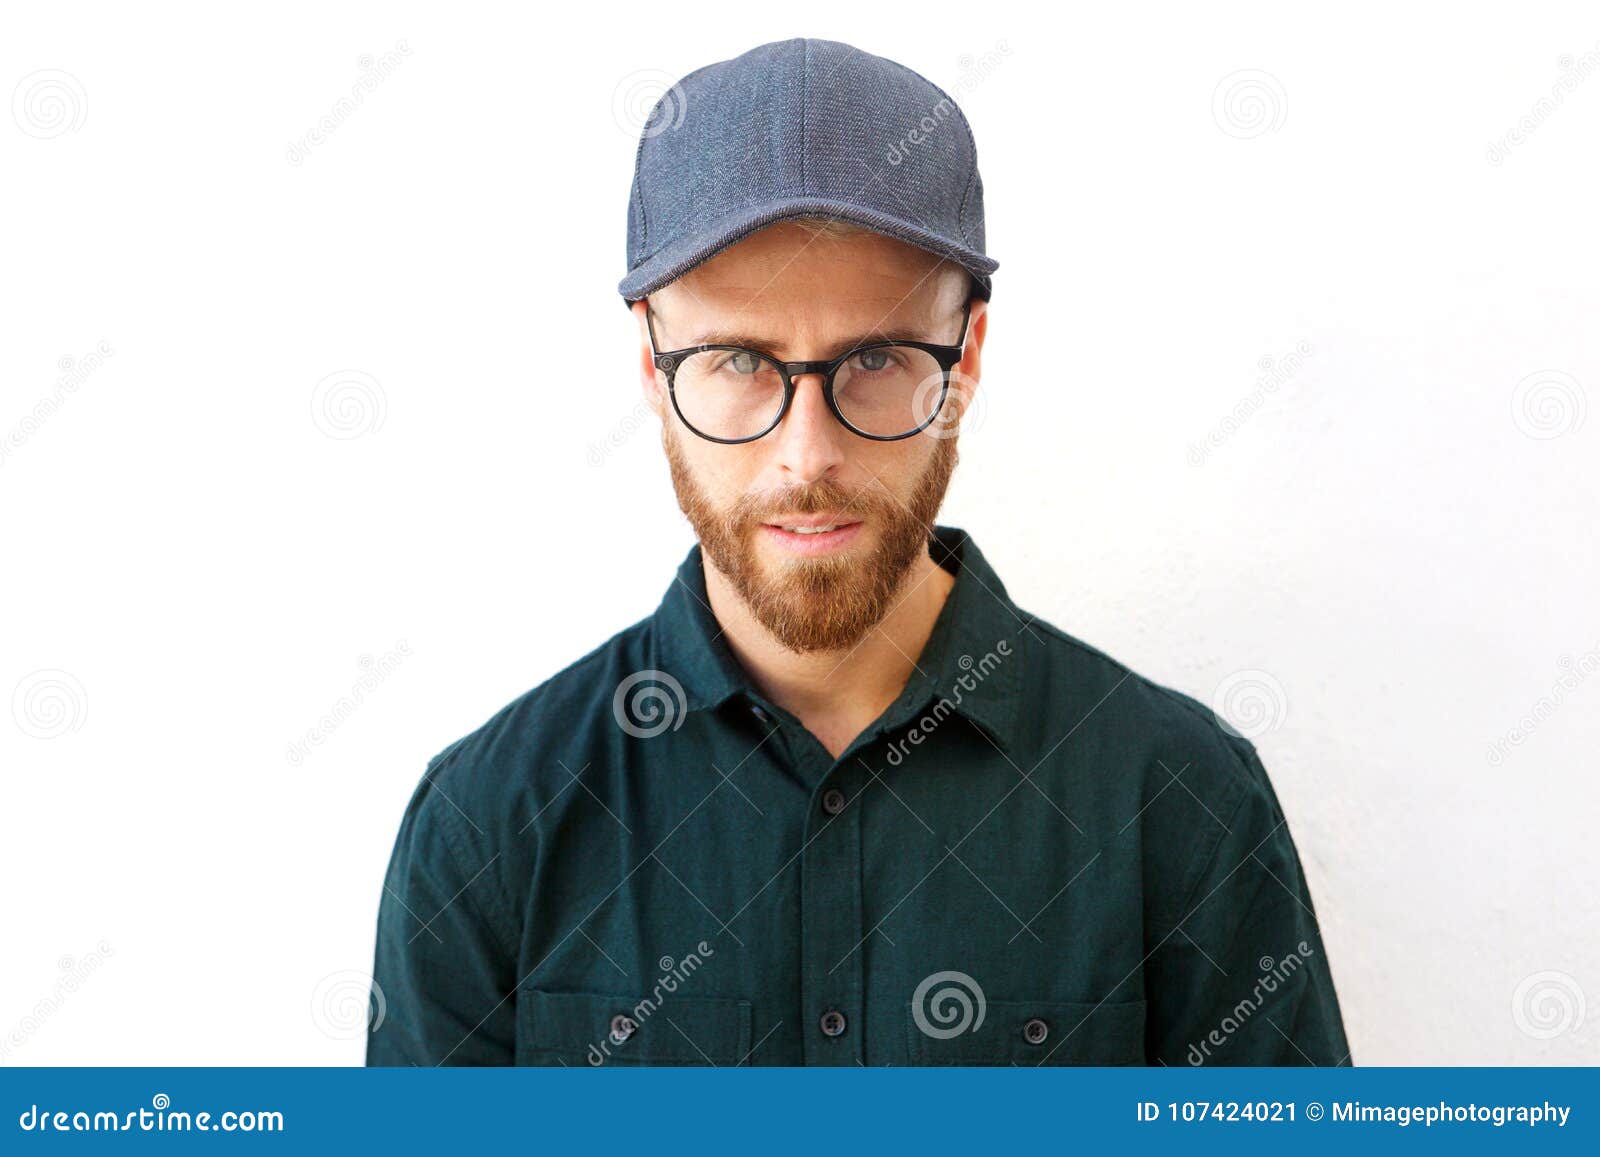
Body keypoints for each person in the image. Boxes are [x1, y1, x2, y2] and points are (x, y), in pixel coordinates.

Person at [367, 37, 1350, 1067]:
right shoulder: (490, 823)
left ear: (964, 358)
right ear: (652, 367)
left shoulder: (1177, 798)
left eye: (876, 357)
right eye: (737, 360)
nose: (808, 455)